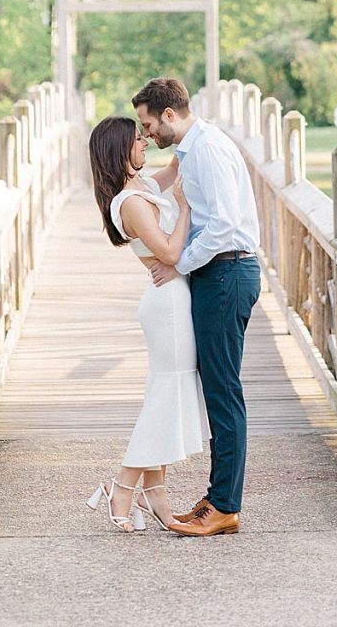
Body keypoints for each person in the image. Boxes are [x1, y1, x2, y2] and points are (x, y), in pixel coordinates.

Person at [131, 77, 260, 537]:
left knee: (224, 390)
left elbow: (224, 227)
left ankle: (225, 506)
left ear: (169, 114)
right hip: (215, 273)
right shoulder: (190, 150)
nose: (146, 135)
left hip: (226, 271)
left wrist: (178, 264)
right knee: (217, 389)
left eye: (148, 125)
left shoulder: (205, 151)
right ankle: (216, 497)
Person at [85, 114, 210, 533]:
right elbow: (170, 255)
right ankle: (121, 486)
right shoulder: (132, 203)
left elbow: (175, 165)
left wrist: (191, 126)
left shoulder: (141, 187)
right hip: (168, 304)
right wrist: (188, 208)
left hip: (173, 300)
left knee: (165, 396)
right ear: (120, 151)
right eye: (138, 139)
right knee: (164, 398)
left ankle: (156, 496)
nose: (145, 142)